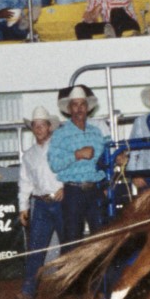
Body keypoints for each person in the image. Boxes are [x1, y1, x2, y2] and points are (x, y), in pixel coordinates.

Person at [48, 85, 107, 254]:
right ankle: (72, 281)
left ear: (88, 108)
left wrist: (116, 159)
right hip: (73, 191)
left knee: (101, 238)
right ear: (69, 109)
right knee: (72, 241)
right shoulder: (60, 134)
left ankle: (100, 280)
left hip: (95, 189)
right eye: (75, 105)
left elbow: (103, 161)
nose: (79, 109)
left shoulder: (96, 133)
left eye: (83, 104)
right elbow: (54, 164)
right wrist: (77, 154)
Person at [14, 105, 64, 299]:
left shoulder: (59, 149)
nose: (39, 128)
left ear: (49, 127)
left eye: (42, 125)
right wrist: (23, 207)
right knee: (36, 248)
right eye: (35, 125)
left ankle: (68, 289)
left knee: (68, 245)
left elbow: (71, 169)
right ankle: (28, 291)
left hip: (61, 201)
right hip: (41, 204)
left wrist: (65, 187)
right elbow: (25, 182)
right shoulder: (28, 155)